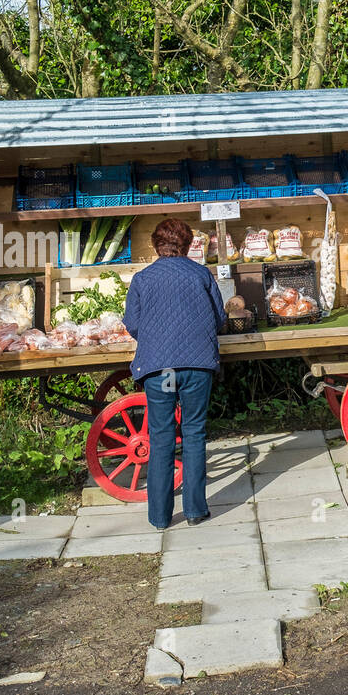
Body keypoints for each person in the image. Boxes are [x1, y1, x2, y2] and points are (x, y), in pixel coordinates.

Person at [123, 218, 226, 530]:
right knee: (194, 433)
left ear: (156, 245)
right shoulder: (201, 275)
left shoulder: (142, 279)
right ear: (188, 244)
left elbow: (133, 325)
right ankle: (195, 511)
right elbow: (220, 319)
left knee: (162, 436)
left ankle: (159, 517)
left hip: (161, 371)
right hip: (197, 367)